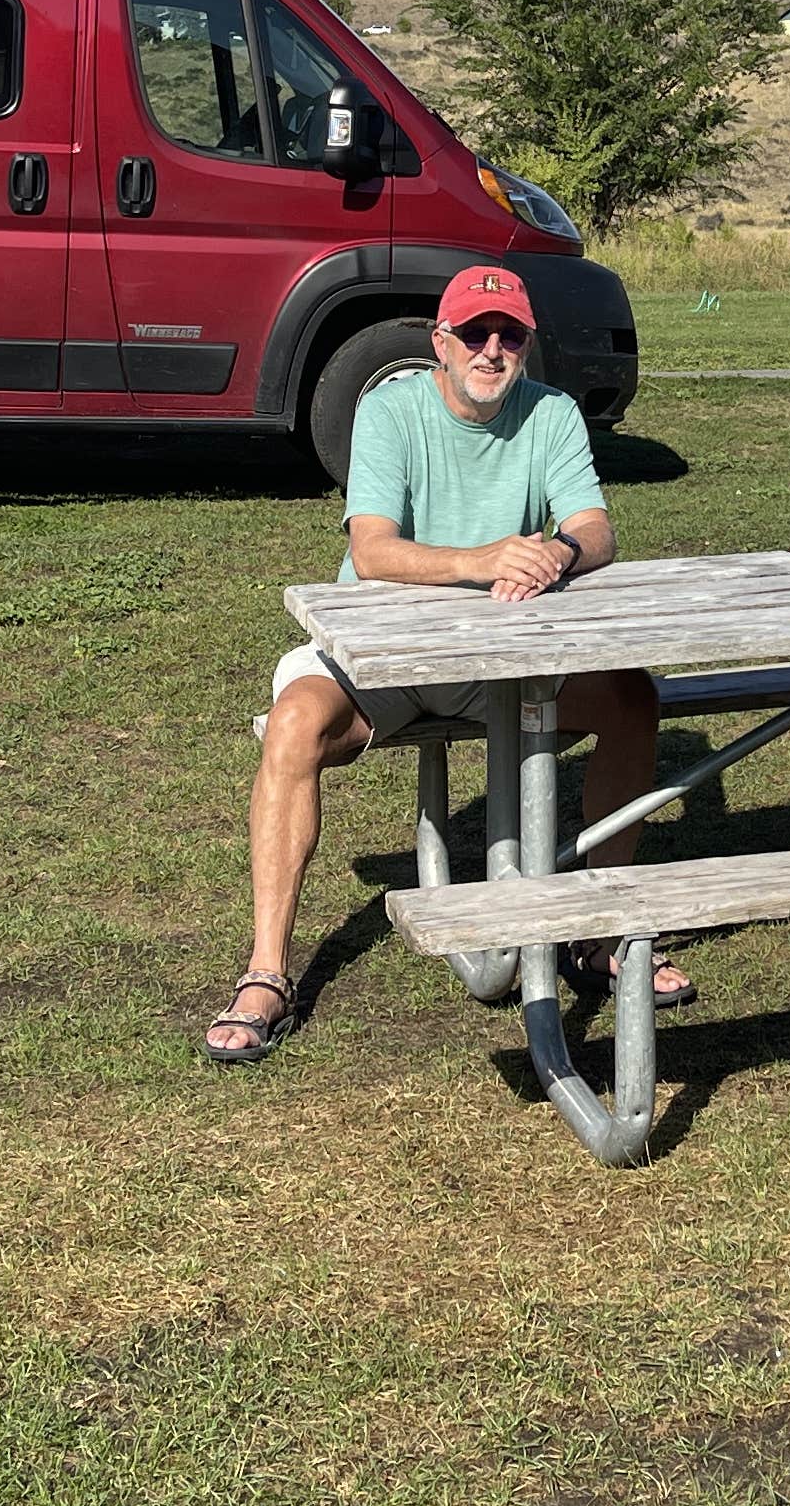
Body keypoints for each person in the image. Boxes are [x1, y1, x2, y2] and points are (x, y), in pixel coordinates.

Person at [205, 264, 690, 1061]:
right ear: (441, 341)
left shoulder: (553, 413)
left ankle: (597, 934)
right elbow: (373, 549)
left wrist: (557, 552)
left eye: (509, 335)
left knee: (633, 700)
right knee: (292, 726)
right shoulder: (391, 409)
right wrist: (484, 559)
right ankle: (266, 972)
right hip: (383, 659)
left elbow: (597, 530)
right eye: (475, 333)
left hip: (502, 658)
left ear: (527, 345)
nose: (491, 350)